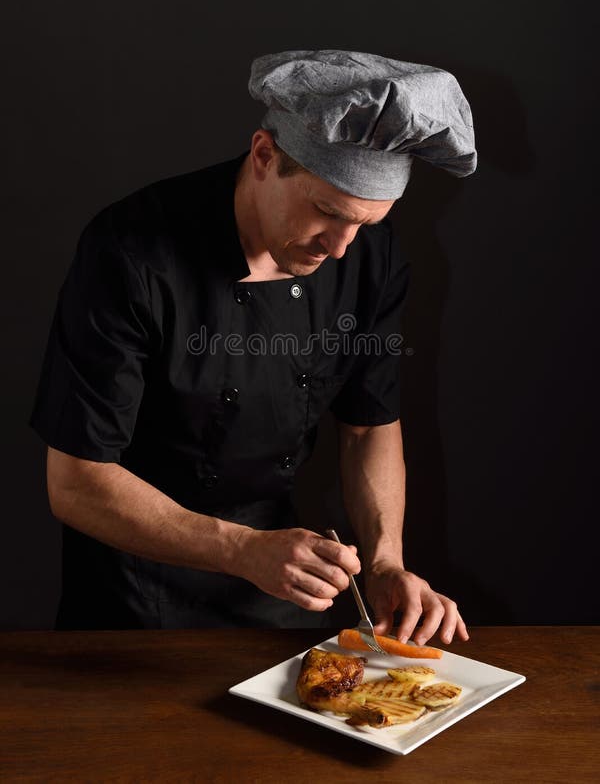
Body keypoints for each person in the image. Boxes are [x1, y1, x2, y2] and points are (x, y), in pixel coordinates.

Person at [30, 49, 476, 642]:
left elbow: (369, 427)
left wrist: (385, 563)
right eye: (326, 212)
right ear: (264, 155)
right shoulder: (131, 251)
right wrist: (242, 550)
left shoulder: (372, 256)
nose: (340, 248)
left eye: (364, 224)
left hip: (277, 584)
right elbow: (75, 482)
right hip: (132, 596)